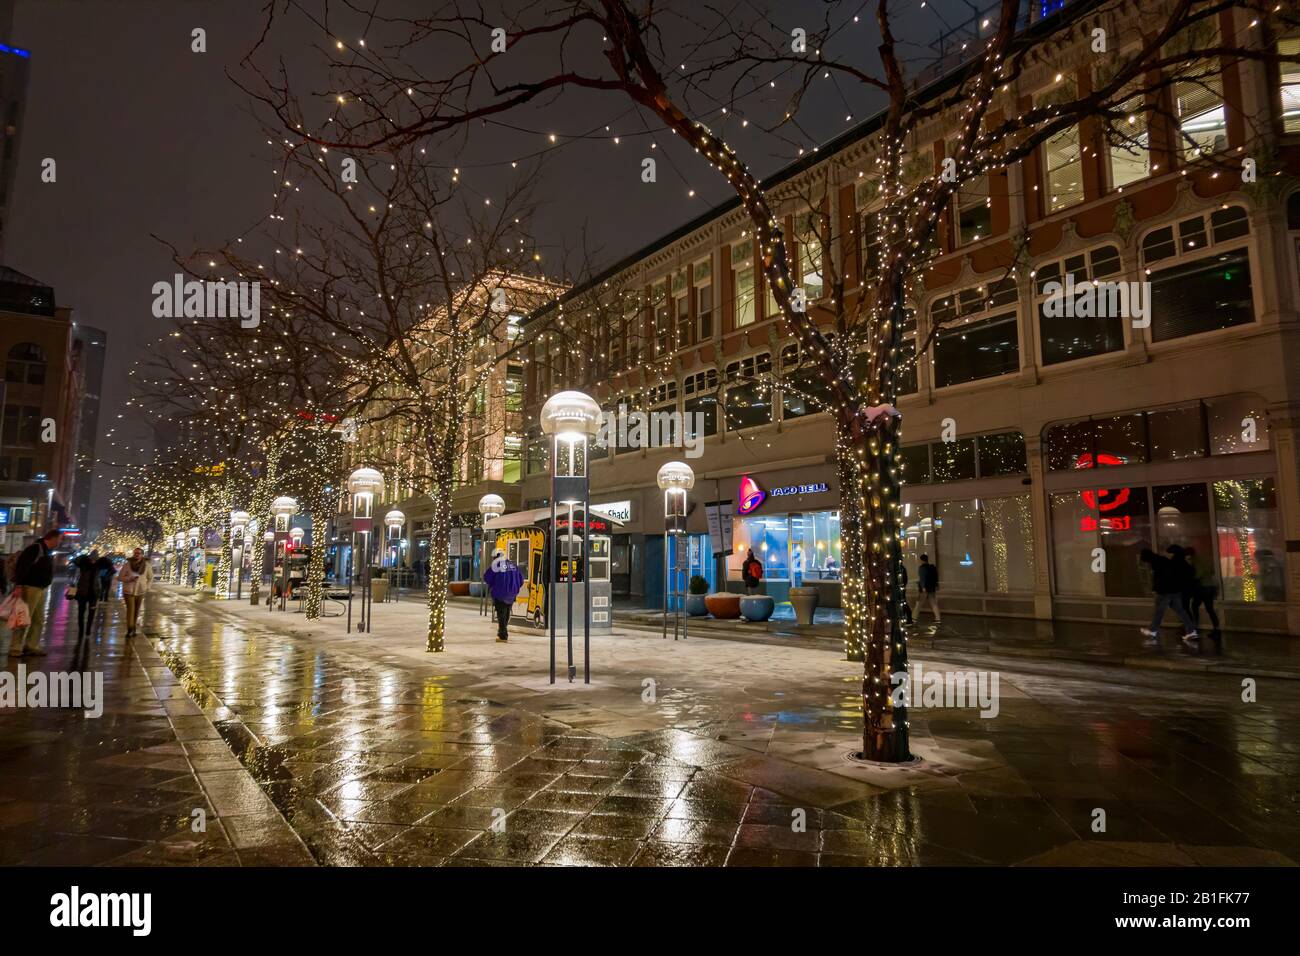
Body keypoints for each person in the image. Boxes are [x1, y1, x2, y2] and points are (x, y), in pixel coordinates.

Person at [8, 528, 62, 657]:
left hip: (41, 588)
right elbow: (22, 566)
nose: (60, 542)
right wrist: (19, 585)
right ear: (52, 538)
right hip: (30, 587)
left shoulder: (47, 551)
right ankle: (16, 647)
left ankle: (31, 645)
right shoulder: (35, 548)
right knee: (24, 618)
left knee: (38, 619)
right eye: (60, 539)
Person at [1138, 545, 1198, 648]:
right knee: (1180, 610)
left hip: (1165, 591)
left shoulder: (1157, 562)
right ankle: (1191, 630)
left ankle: (1152, 630)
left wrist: (1156, 588)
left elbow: (1161, 578)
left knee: (1159, 611)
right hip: (1175, 590)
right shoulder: (1168, 560)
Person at [482, 548, 523, 642]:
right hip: (512, 594)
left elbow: (487, 578)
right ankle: (502, 631)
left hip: (500, 593)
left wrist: (493, 585)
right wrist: (514, 588)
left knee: (501, 614)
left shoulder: (495, 566)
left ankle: (503, 635)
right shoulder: (513, 565)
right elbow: (521, 580)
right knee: (507, 613)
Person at [1183, 546, 1221, 644]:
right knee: (1210, 609)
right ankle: (1216, 629)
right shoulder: (1204, 559)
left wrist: (1191, 578)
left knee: (1194, 606)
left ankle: (1195, 629)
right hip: (1210, 586)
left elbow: (1199, 574)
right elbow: (1210, 571)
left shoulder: (1195, 561)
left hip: (1202, 587)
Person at [118, 547, 153, 637]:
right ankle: (130, 629)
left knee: (136, 610)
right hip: (128, 591)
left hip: (140, 590)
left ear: (142, 555)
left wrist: (147, 587)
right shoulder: (127, 565)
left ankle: (133, 628)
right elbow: (120, 577)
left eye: (138, 553)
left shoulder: (147, 565)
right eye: (135, 553)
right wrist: (129, 578)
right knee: (130, 609)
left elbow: (150, 577)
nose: (136, 555)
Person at [71, 549, 103, 639]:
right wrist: (83, 557)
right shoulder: (83, 564)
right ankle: (81, 629)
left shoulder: (98, 566)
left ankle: (88, 629)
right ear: (89, 558)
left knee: (92, 612)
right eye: (91, 559)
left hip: (94, 593)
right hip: (82, 592)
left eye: (95, 559)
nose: (93, 561)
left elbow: (109, 570)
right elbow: (75, 562)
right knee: (81, 612)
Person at [914, 553, 940, 623]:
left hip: (924, 589)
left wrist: (923, 587)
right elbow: (936, 577)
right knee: (933, 604)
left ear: (921, 560)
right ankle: (938, 619)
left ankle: (913, 618)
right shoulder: (932, 567)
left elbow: (922, 579)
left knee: (918, 604)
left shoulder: (922, 568)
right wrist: (936, 585)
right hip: (931, 588)